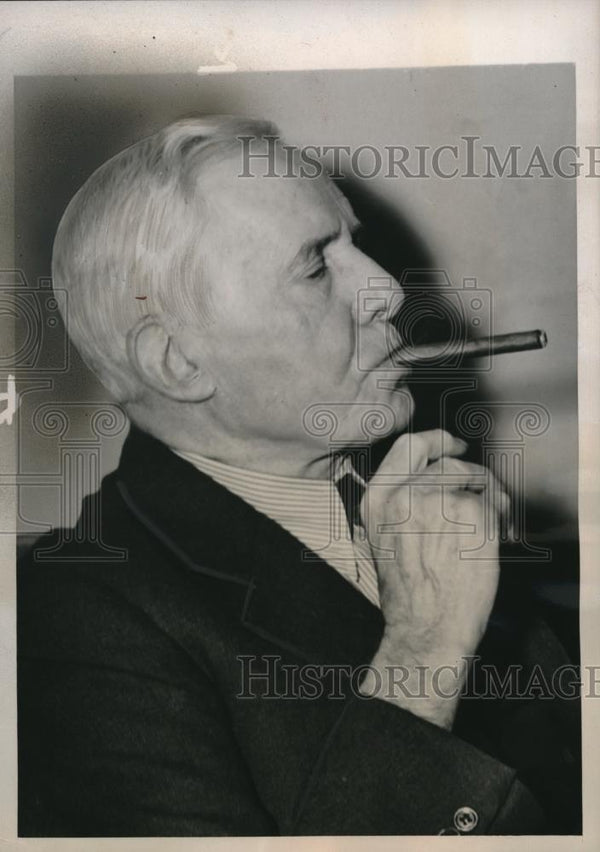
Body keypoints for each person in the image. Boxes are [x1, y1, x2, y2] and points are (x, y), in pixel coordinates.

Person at [17, 117, 580, 836]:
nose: (385, 291)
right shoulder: (75, 621)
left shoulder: (425, 498)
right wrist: (423, 647)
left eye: (357, 243)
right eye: (316, 267)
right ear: (178, 362)